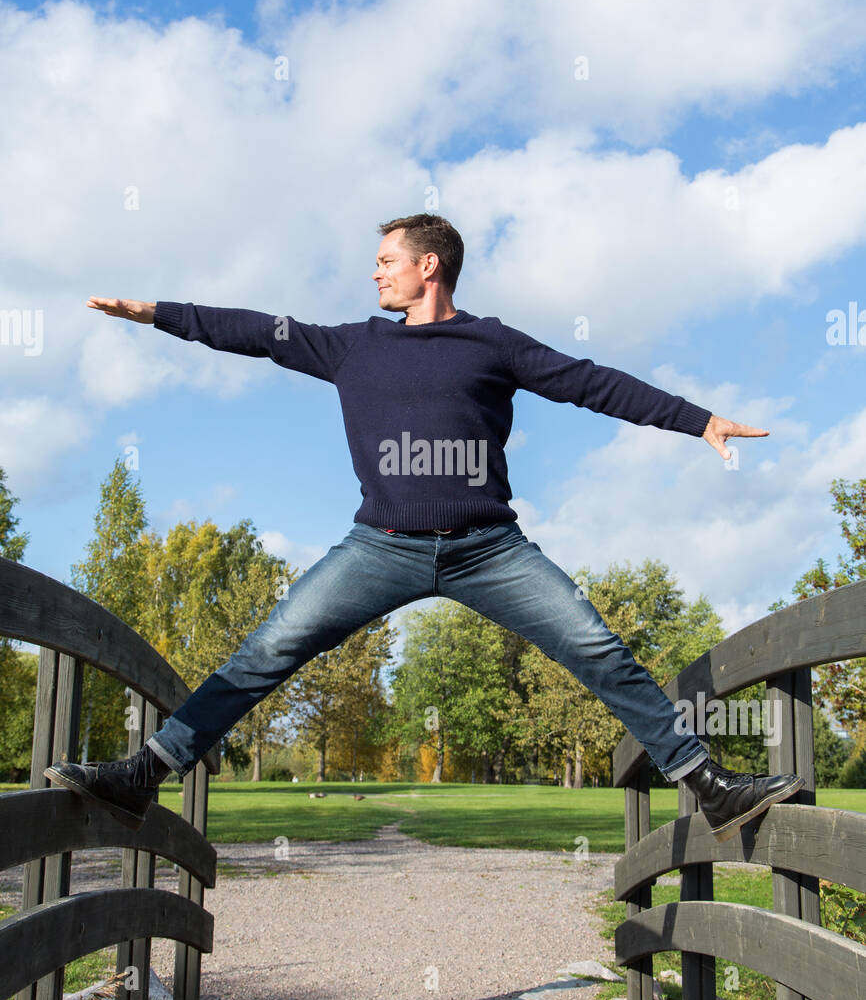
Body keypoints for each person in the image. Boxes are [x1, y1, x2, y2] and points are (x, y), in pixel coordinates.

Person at [46, 213, 803, 840]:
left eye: (386, 261)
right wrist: (159, 314)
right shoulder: (352, 345)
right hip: (379, 547)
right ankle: (141, 777)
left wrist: (697, 419)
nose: (375, 274)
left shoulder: (493, 343)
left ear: (429, 265)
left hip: (489, 550)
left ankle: (709, 786)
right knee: (265, 651)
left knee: (598, 650)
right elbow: (255, 331)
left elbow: (589, 382)